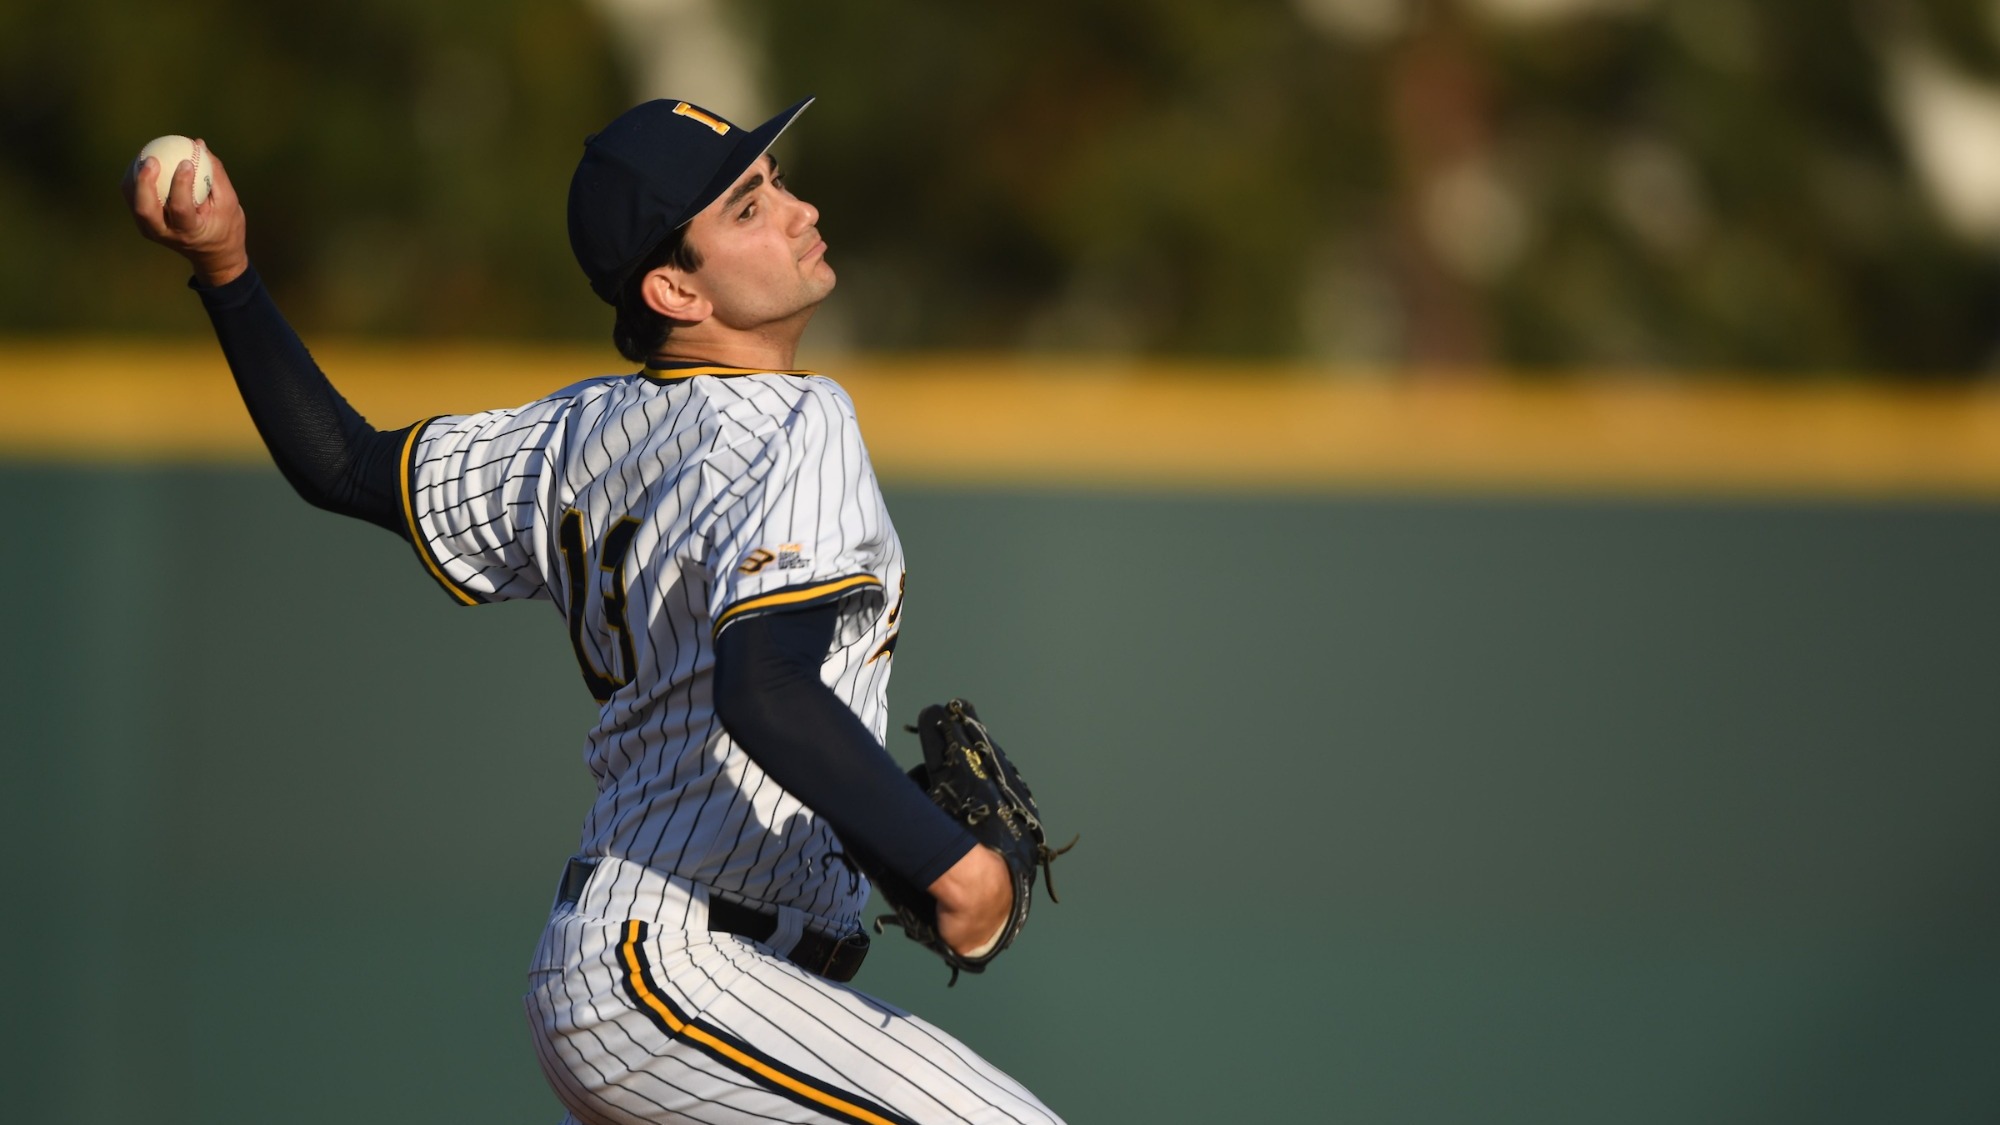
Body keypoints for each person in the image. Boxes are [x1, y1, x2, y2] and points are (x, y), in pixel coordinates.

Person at [125, 97, 1064, 1125]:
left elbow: (342, 464)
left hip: (659, 975)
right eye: (748, 208)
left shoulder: (576, 431)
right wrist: (953, 868)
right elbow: (766, 686)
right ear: (673, 288)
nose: (798, 211)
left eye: (776, 183)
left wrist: (227, 270)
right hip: (679, 974)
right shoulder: (800, 422)